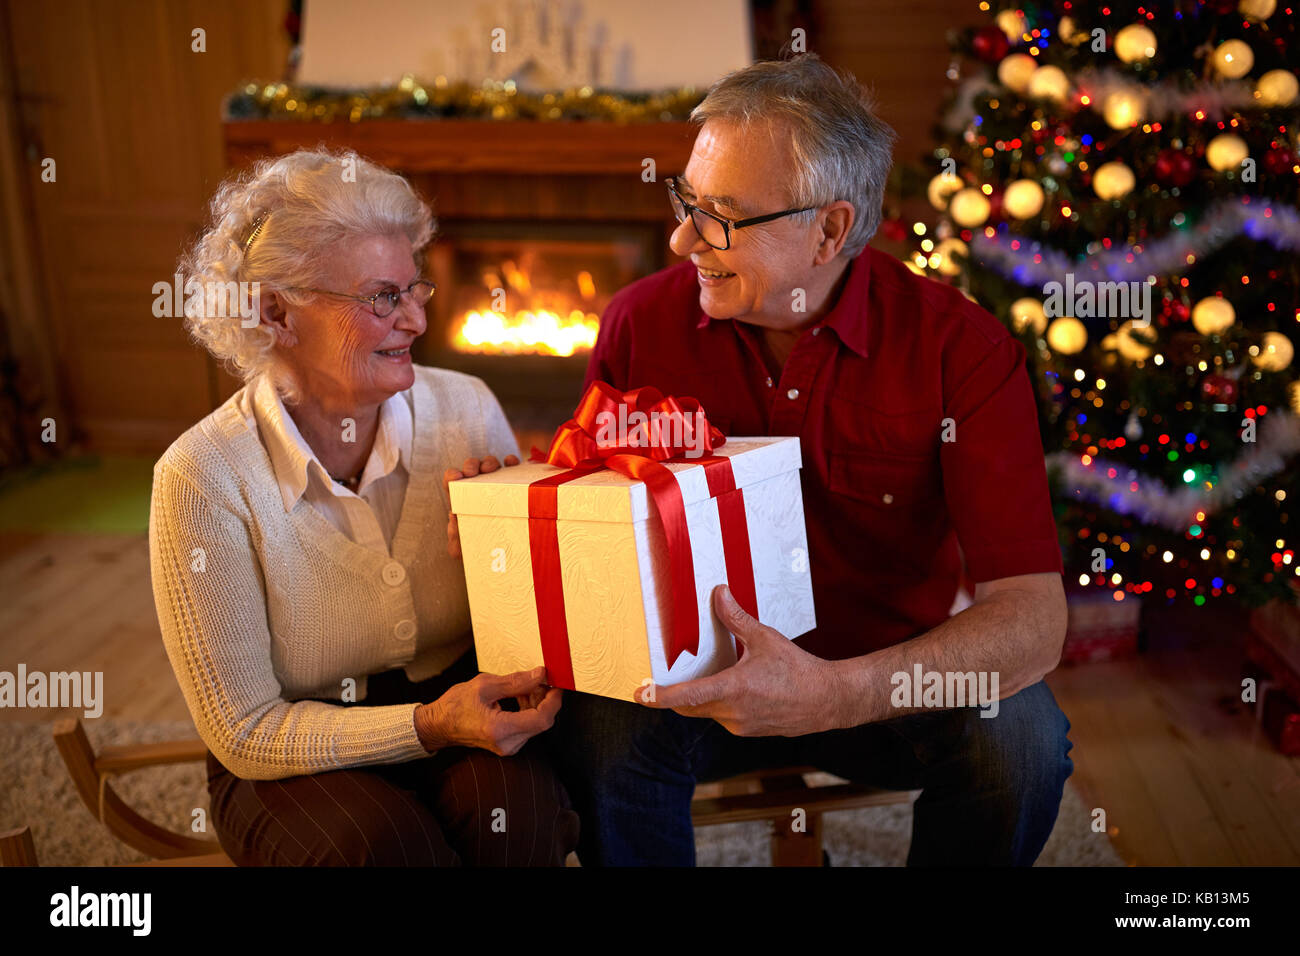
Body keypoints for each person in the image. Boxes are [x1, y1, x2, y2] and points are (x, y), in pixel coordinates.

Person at [551, 54, 1074, 866]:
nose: (683, 237)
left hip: (885, 689)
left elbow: (1034, 620)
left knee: (1024, 741)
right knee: (595, 732)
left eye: (721, 214)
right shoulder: (637, 324)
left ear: (830, 229)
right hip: (693, 683)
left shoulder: (962, 350)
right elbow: (595, 521)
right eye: (687, 199)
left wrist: (834, 693)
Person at [150, 147, 578, 866]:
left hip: (463, 702)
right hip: (291, 748)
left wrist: (510, 546)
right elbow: (243, 729)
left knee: (522, 818)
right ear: (274, 311)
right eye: (383, 297)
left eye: (416, 290)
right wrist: (427, 726)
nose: (414, 319)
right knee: (383, 847)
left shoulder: (466, 408)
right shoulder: (202, 476)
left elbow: (538, 631)